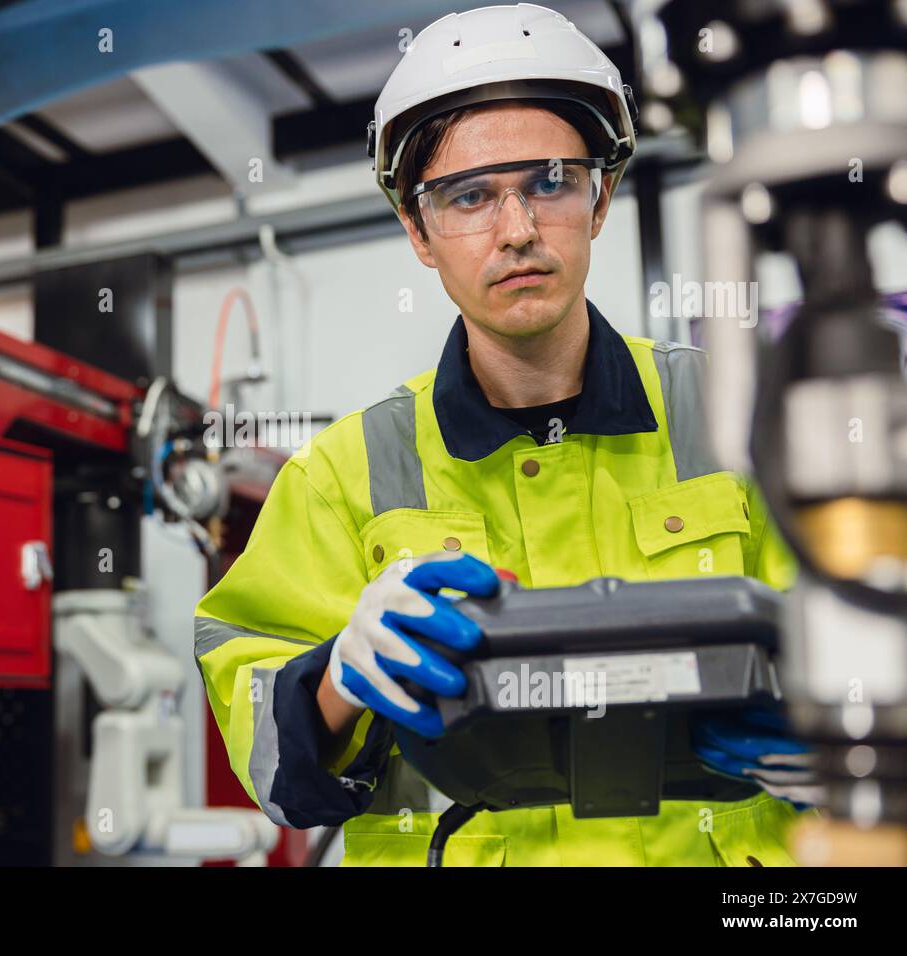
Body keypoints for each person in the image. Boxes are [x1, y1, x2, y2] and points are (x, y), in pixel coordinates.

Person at [195, 3, 815, 866]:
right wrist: (336, 678)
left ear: (599, 197)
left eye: (551, 181)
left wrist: (849, 746)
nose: (517, 230)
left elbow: (873, 625)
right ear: (418, 230)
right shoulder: (342, 474)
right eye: (470, 196)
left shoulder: (741, 414)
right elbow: (271, 768)